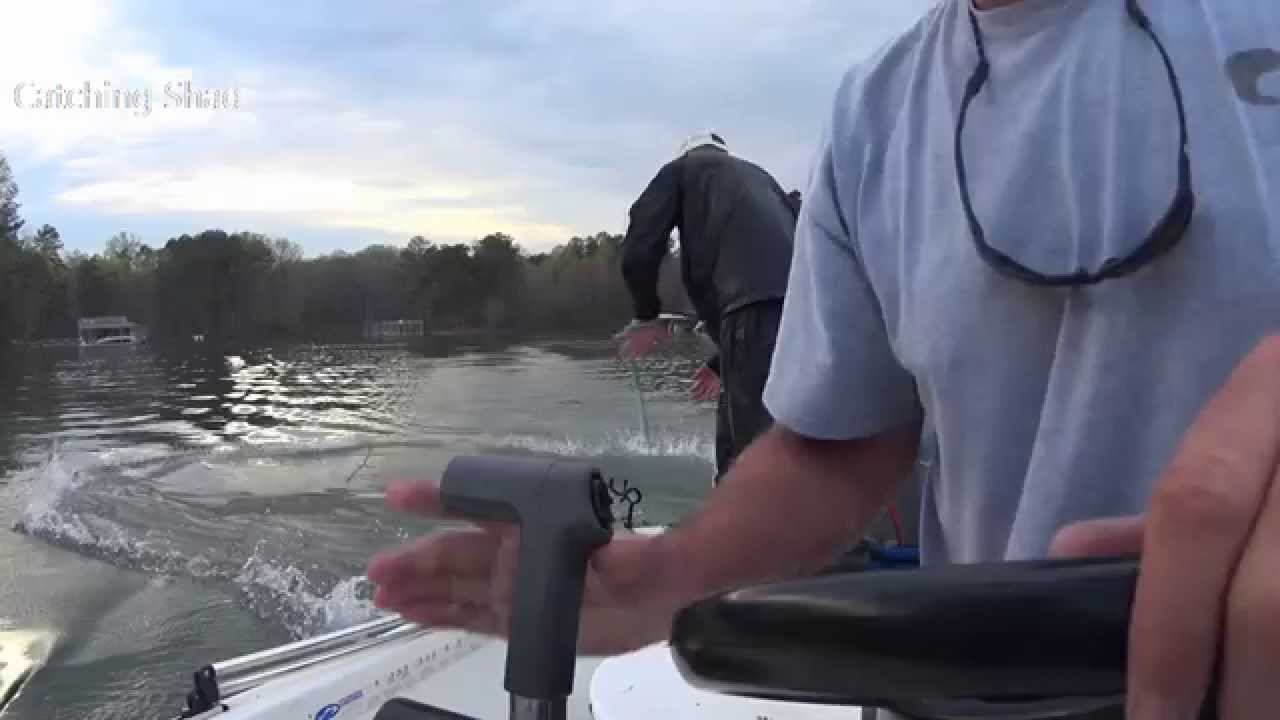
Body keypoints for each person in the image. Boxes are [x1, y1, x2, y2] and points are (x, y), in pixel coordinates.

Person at [368, 1, 1280, 718]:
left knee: (744, 418)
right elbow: (838, 436)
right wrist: (674, 571)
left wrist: (645, 309)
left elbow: (647, 239)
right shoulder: (869, 112)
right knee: (768, 419)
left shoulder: (685, 174)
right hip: (961, 682)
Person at [614, 130, 796, 483]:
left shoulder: (682, 171)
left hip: (750, 314)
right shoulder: (763, 179)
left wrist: (646, 315)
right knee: (779, 433)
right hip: (804, 317)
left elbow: (640, 246)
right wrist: (722, 361)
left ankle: (747, 535)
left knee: (749, 453)